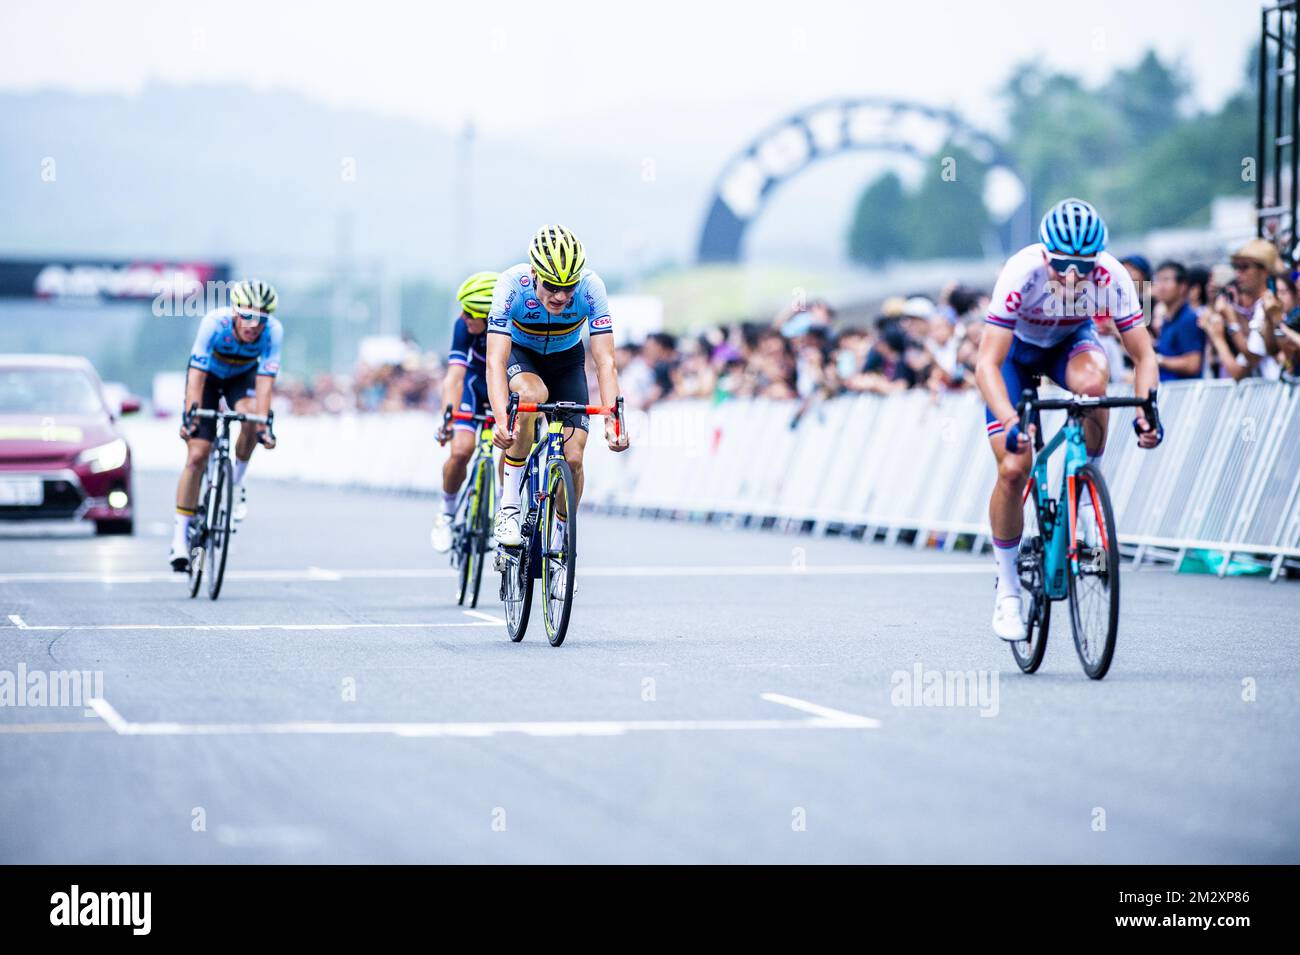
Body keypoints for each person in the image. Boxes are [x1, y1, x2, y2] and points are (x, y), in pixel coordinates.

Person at [976, 199, 1161, 641]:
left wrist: (1146, 409)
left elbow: (1143, 354)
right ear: (1045, 255)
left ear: (1098, 258)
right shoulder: (1020, 272)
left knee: (1095, 385)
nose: (1073, 276)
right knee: (1014, 467)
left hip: (1069, 345)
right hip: (1014, 357)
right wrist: (1011, 422)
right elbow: (986, 365)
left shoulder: (1114, 275)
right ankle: (1008, 590)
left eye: (1083, 265)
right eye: (1062, 265)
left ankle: (1081, 475)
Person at [485, 225, 630, 594]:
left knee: (575, 456)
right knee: (533, 396)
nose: (561, 296)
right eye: (551, 286)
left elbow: (605, 361)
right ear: (534, 274)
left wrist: (614, 419)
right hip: (523, 356)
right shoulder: (510, 286)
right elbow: (495, 361)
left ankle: (563, 550)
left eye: (568, 288)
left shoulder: (592, 288)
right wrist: (503, 420)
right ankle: (510, 508)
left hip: (567, 361)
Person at [170, 280, 281, 571]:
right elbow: (196, 377)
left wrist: (264, 425)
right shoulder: (213, 324)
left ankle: (236, 481)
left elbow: (265, 383)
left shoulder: (273, 333)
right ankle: (179, 540)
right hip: (207, 379)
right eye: (246, 315)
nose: (253, 325)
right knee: (196, 455)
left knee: (252, 418)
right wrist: (191, 416)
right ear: (234, 312)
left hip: (240, 380)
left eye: (261, 319)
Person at [431, 271, 497, 553]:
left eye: (470, 313)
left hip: (504, 389)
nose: (463, 316)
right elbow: (455, 377)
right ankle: (445, 515)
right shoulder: (463, 326)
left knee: (515, 450)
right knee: (461, 451)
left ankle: (505, 516)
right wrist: (448, 415)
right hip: (474, 386)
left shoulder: (511, 328)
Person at [1151, 261, 1207, 381]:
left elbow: (1193, 364)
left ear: (1182, 287)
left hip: (1186, 394)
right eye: (1158, 280)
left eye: (1165, 280)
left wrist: (1159, 360)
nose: (1160, 286)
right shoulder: (1167, 320)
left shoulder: (1188, 319)